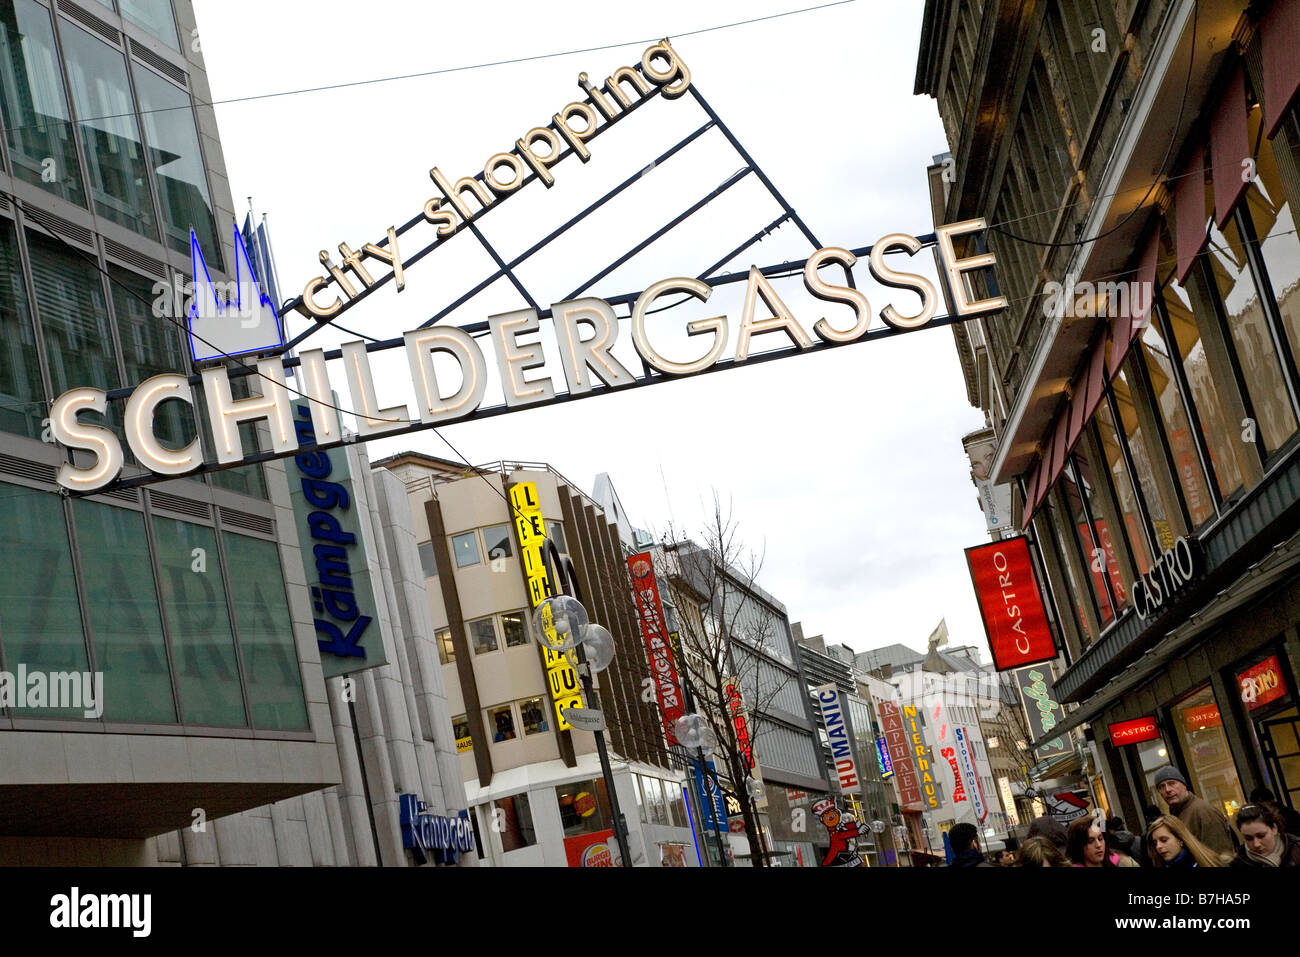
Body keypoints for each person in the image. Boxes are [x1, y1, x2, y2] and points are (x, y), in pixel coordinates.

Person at [1153, 766, 1237, 857]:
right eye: (1161, 787)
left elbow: (1220, 854)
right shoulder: (1175, 815)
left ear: (1184, 786)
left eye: (1172, 783)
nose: (1167, 790)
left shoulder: (1204, 811)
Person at [1230, 804, 1300, 868]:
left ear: (1274, 829)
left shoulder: (1296, 850)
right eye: (1248, 838)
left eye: (1261, 836)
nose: (1256, 844)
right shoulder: (1237, 861)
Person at [1146, 814, 1228, 867]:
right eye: (1155, 843)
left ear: (1180, 839)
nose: (1158, 847)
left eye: (1164, 840)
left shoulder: (1211, 863)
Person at [1067, 816, 1137, 867]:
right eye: (1090, 841)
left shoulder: (1121, 863)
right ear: (1078, 845)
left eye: (1100, 838)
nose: (1098, 845)